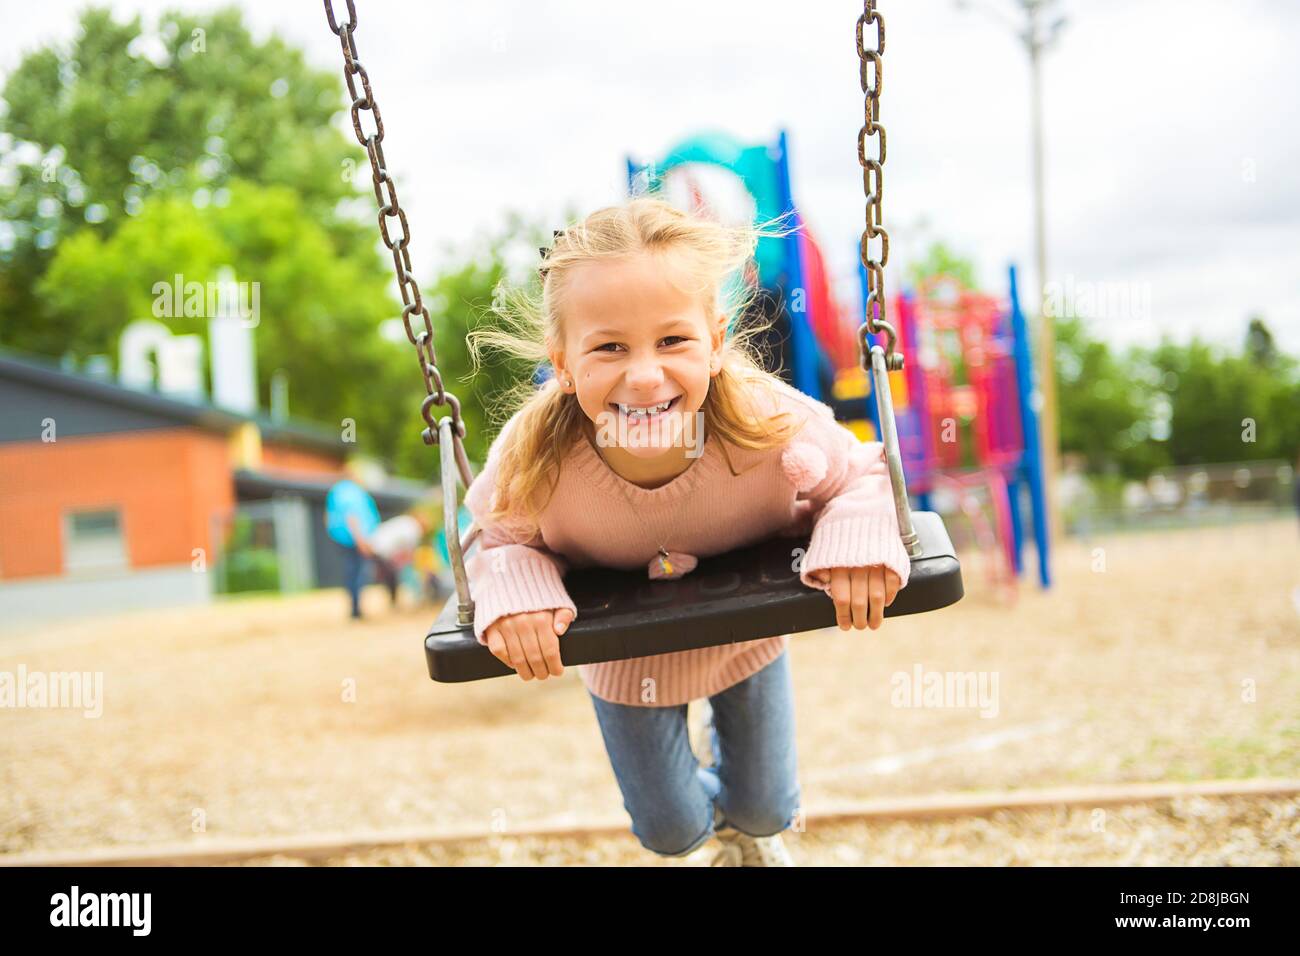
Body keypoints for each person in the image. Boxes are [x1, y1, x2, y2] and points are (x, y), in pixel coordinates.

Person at [461, 197, 910, 867]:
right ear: (561, 362)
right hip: (625, 655)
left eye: (672, 341)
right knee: (669, 832)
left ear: (717, 342)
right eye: (609, 347)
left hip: (745, 636)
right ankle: (711, 837)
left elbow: (863, 475)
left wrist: (853, 543)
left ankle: (751, 838)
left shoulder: (769, 427)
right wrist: (518, 589)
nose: (645, 376)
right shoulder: (538, 463)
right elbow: (494, 538)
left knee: (766, 807)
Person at [325, 460, 382, 620]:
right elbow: (352, 518)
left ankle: (355, 607)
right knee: (358, 572)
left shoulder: (336, 491)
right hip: (356, 539)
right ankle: (356, 609)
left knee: (351, 572)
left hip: (344, 539)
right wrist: (361, 541)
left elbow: (328, 516)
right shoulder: (351, 492)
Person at [367, 505, 435, 609]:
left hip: (376, 543)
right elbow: (409, 553)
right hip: (382, 549)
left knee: (390, 576)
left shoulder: (406, 521)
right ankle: (417, 598)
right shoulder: (414, 529)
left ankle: (395, 601)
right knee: (396, 575)